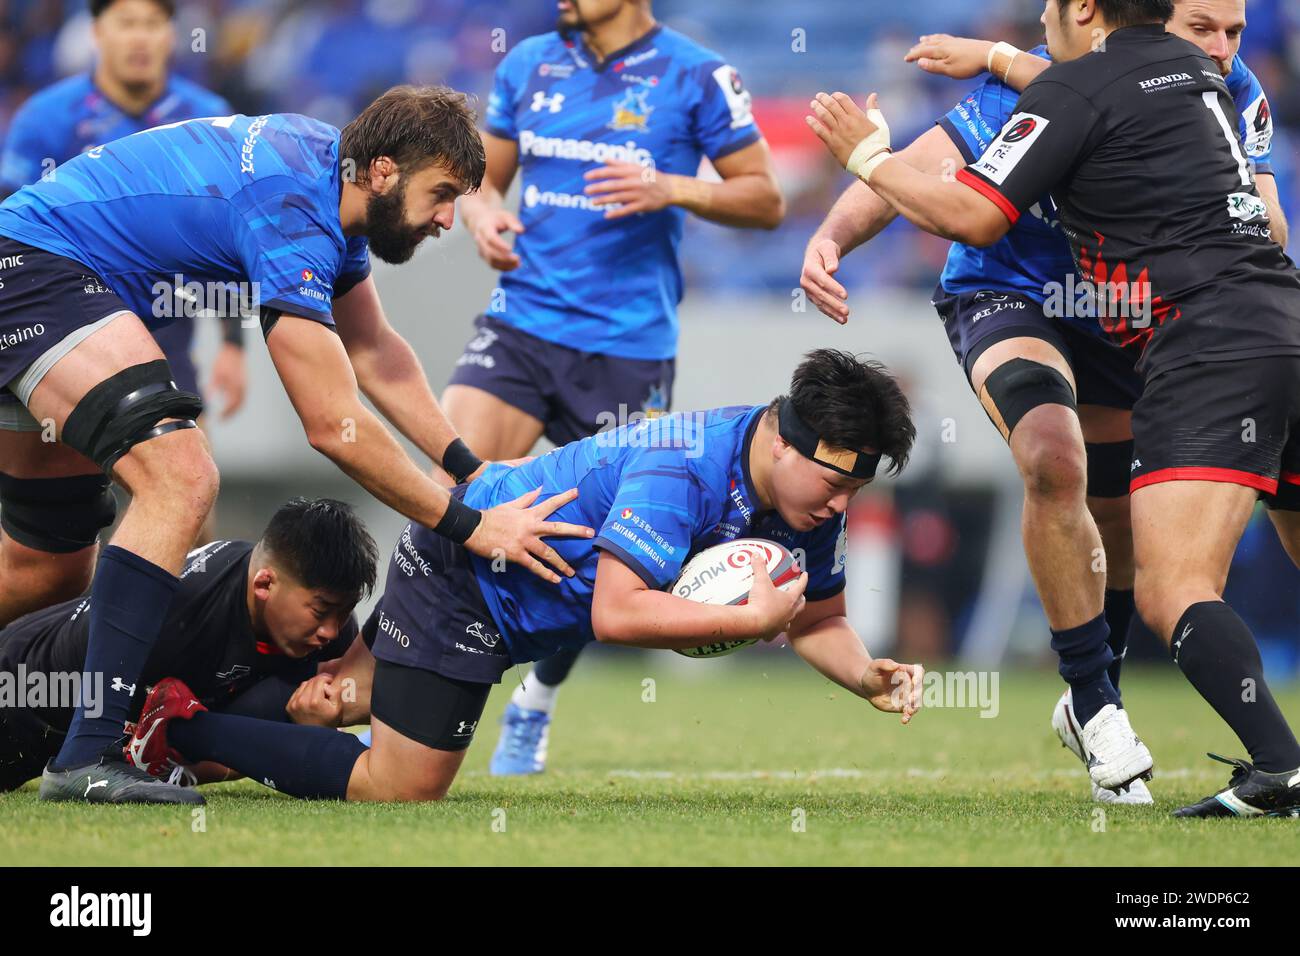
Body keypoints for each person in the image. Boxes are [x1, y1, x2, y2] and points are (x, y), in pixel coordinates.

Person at [0, 84, 594, 804]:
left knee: (46, 569)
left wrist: (468, 466)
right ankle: (89, 756)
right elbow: (332, 425)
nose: (448, 219)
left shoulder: (326, 183)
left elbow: (373, 349)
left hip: (44, 277)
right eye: (441, 194)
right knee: (181, 476)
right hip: (35, 273)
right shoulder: (293, 210)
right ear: (381, 171)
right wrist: (469, 524)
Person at [807, 0, 1300, 816]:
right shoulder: (1117, 82)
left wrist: (868, 152)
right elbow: (940, 177)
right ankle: (1099, 702)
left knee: (1132, 537)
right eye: (1202, 28)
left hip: (1150, 320)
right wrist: (831, 236)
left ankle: (1207, 739)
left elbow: (1102, 103)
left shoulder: (1206, 83)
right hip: (1025, 298)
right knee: (1051, 455)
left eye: (1234, 32)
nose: (1219, 49)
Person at [127, 350, 925, 803]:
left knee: (333, 701)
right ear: (784, 442)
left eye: (857, 489)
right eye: (835, 484)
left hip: (511, 603)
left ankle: (176, 724)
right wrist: (748, 624)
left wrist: (867, 675)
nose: (841, 504)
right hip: (464, 575)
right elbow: (618, 615)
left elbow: (816, 618)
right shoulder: (682, 470)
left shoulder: (808, 503)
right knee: (400, 788)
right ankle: (178, 727)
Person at [451, 0, 785, 775]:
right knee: (454, 493)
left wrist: (673, 187)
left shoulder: (698, 75)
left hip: (627, 348)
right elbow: (481, 182)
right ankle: (401, 693)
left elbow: (764, 198)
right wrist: (483, 218)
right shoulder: (528, 63)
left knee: (597, 548)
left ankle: (536, 698)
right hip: (522, 326)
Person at [0, 0, 247, 627]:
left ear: (171, 35)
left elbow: (232, 236)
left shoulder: (207, 118)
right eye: (125, 22)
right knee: (47, 542)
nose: (139, 37)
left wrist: (234, 345)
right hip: (51, 343)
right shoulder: (47, 118)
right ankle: (50, 666)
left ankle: (144, 682)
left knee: (188, 507)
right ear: (97, 33)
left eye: (152, 23)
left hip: (165, 346)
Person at [0, 497, 377, 799]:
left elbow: (176, 746)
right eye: (321, 610)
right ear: (265, 585)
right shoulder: (181, 614)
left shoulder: (324, 635)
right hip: (19, 691)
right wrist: (297, 736)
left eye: (343, 612)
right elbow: (158, 743)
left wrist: (309, 725)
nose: (331, 630)